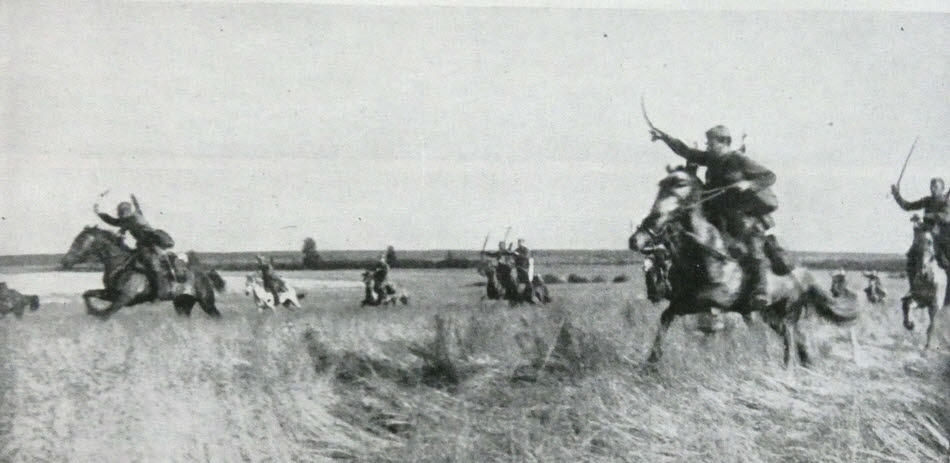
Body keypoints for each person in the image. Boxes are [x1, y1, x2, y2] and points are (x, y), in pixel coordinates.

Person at [649, 124, 792, 310]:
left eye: (710, 142)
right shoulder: (711, 158)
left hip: (741, 212)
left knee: (752, 243)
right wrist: (663, 137)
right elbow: (686, 151)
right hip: (718, 212)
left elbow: (769, 176)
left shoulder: (738, 159)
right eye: (707, 142)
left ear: (724, 142)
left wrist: (749, 183)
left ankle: (760, 290)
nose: (707, 145)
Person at [95, 195, 175, 299]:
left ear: (126, 211)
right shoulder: (128, 219)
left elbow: (121, 222)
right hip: (142, 246)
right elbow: (113, 221)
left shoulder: (135, 218)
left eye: (121, 212)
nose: (120, 215)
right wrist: (99, 213)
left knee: (152, 264)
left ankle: (160, 290)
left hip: (151, 245)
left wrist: (122, 230)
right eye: (120, 212)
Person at [892, 177, 950, 270]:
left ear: (942, 188)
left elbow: (946, 217)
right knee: (913, 254)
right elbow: (908, 206)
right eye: (931, 186)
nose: (932, 189)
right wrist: (897, 195)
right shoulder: (927, 200)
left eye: (935, 186)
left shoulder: (946, 201)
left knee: (945, 259)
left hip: (942, 235)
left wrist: (930, 216)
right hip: (927, 231)